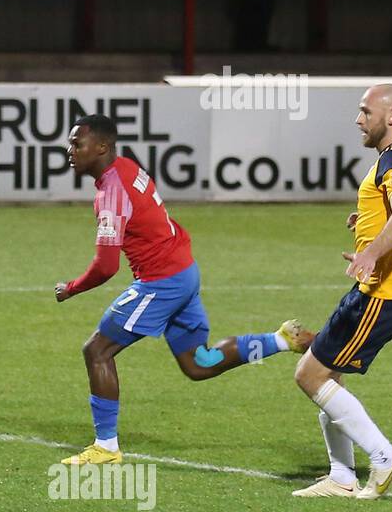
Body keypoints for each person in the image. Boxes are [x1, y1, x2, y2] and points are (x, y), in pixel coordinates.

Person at [55, 114, 311, 465]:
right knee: (199, 363)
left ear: (101, 147)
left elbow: (106, 267)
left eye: (76, 143)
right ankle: (283, 340)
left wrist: (71, 288)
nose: (70, 150)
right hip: (184, 270)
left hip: (162, 280)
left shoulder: (112, 192)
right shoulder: (126, 167)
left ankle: (106, 447)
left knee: (97, 351)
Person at [291, 84, 392, 499]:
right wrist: (370, 221)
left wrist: (370, 252)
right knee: (327, 375)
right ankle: (341, 477)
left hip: (384, 291)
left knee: (311, 375)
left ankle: (385, 458)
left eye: (365, 111)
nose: (358, 120)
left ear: (391, 116)